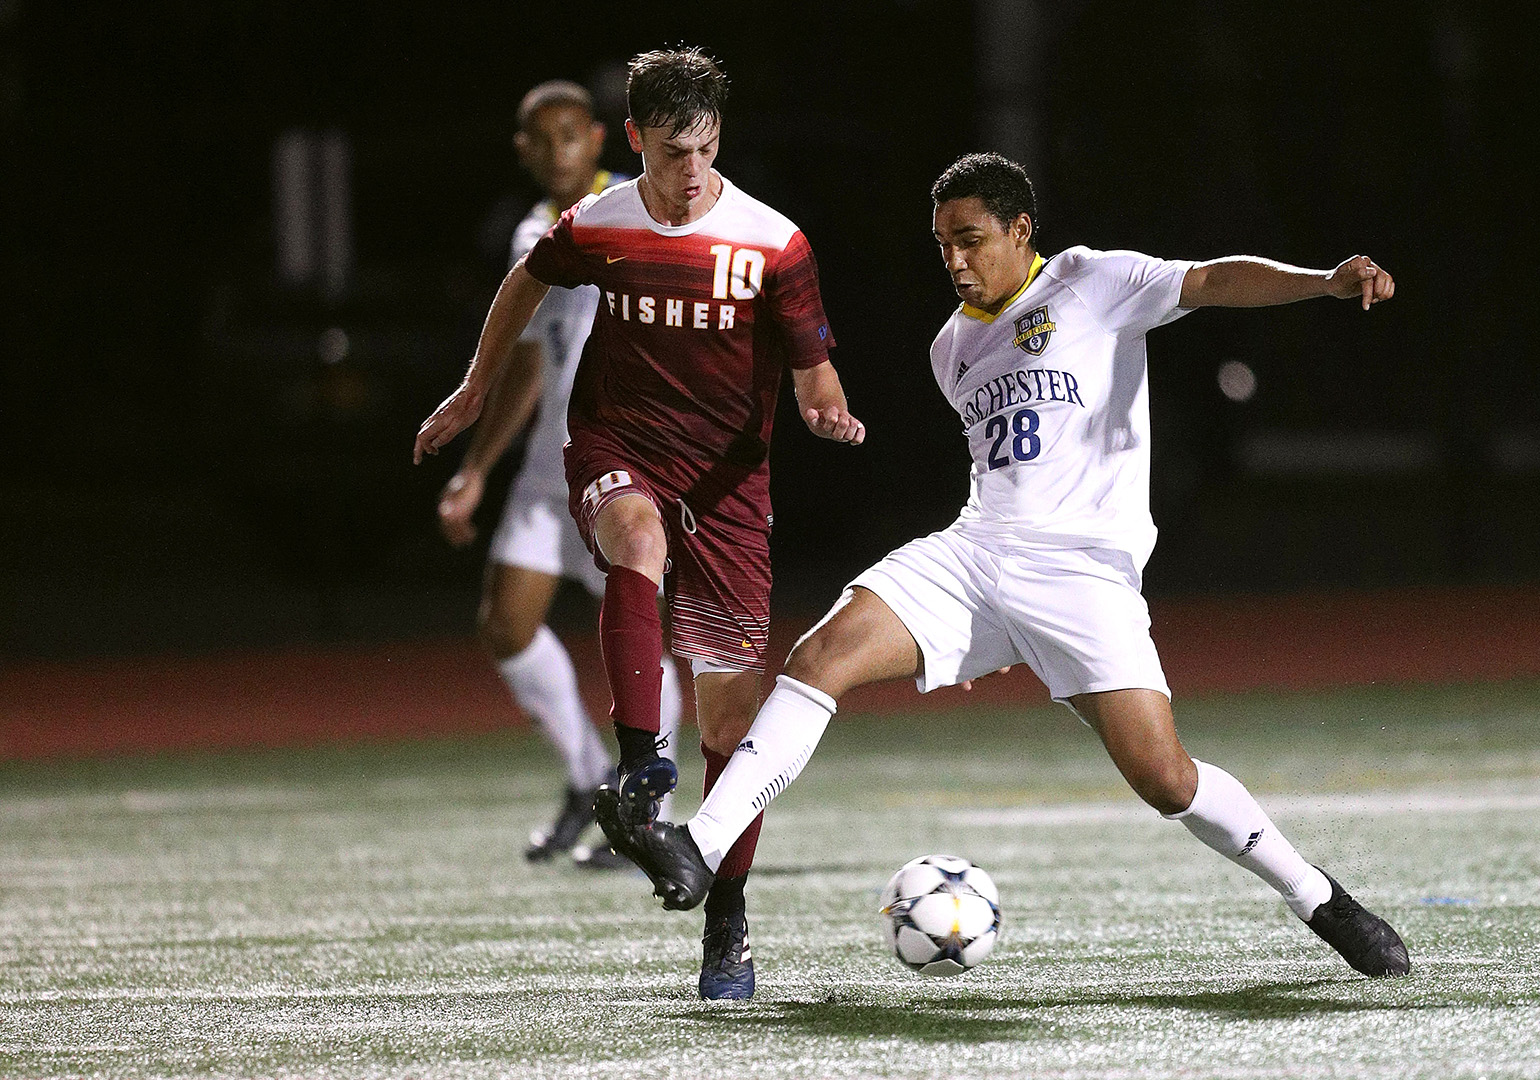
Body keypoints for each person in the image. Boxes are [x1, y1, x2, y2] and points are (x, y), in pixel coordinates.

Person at [607, 152, 1411, 979]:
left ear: (1021, 230)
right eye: (941, 245)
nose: (954, 261)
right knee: (818, 657)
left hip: (1082, 575)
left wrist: (1324, 280)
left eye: (971, 239)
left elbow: (1211, 281)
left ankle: (1318, 897)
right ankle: (697, 844)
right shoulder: (950, 347)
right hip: (977, 552)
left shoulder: (1092, 281)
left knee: (1166, 781)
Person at [414, 47, 864, 1000]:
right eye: (669, 153)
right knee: (637, 543)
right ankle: (635, 768)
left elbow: (816, 372)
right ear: (635, 143)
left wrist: (827, 409)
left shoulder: (775, 243)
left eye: (703, 149)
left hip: (732, 489)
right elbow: (526, 283)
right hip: (617, 445)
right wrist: (473, 386)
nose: (690, 171)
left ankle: (728, 923)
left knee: (732, 725)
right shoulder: (599, 221)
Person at [436, 79, 684, 871]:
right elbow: (533, 361)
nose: (557, 151)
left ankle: (652, 808)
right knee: (505, 622)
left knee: (640, 623)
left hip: (625, 462)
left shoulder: (636, 211)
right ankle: (589, 779)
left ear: (600, 137)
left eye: (570, 134)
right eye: (540, 139)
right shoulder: (530, 233)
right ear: (523, 148)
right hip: (552, 465)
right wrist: (475, 468)